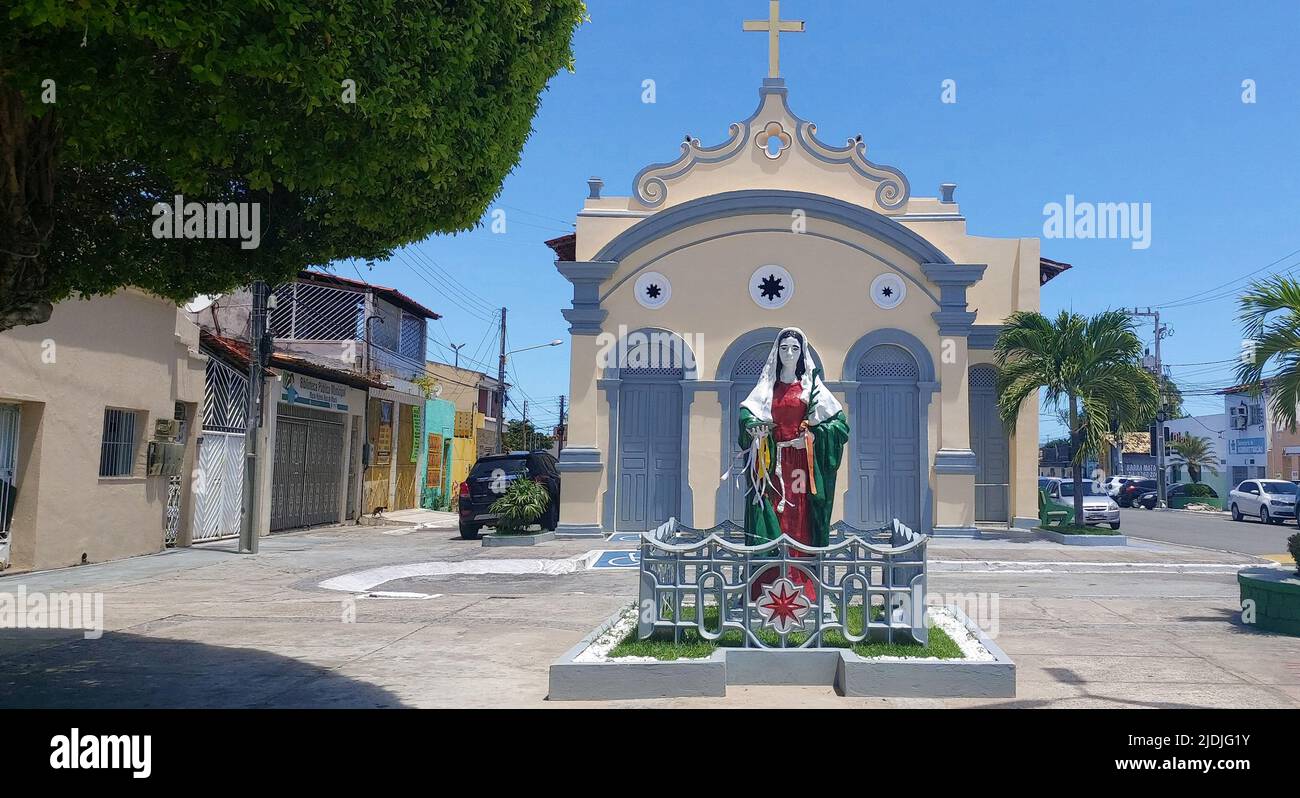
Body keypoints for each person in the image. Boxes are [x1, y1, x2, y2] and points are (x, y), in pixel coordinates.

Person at [737, 327, 849, 600]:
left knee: (799, 520)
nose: (789, 353)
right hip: (771, 464)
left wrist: (811, 438)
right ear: (777, 351)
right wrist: (755, 428)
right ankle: (765, 586)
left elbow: (839, 426)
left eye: (795, 349)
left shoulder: (811, 389)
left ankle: (802, 588)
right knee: (771, 516)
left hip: (801, 466)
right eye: (784, 347)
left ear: (802, 353)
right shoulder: (766, 389)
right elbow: (746, 416)